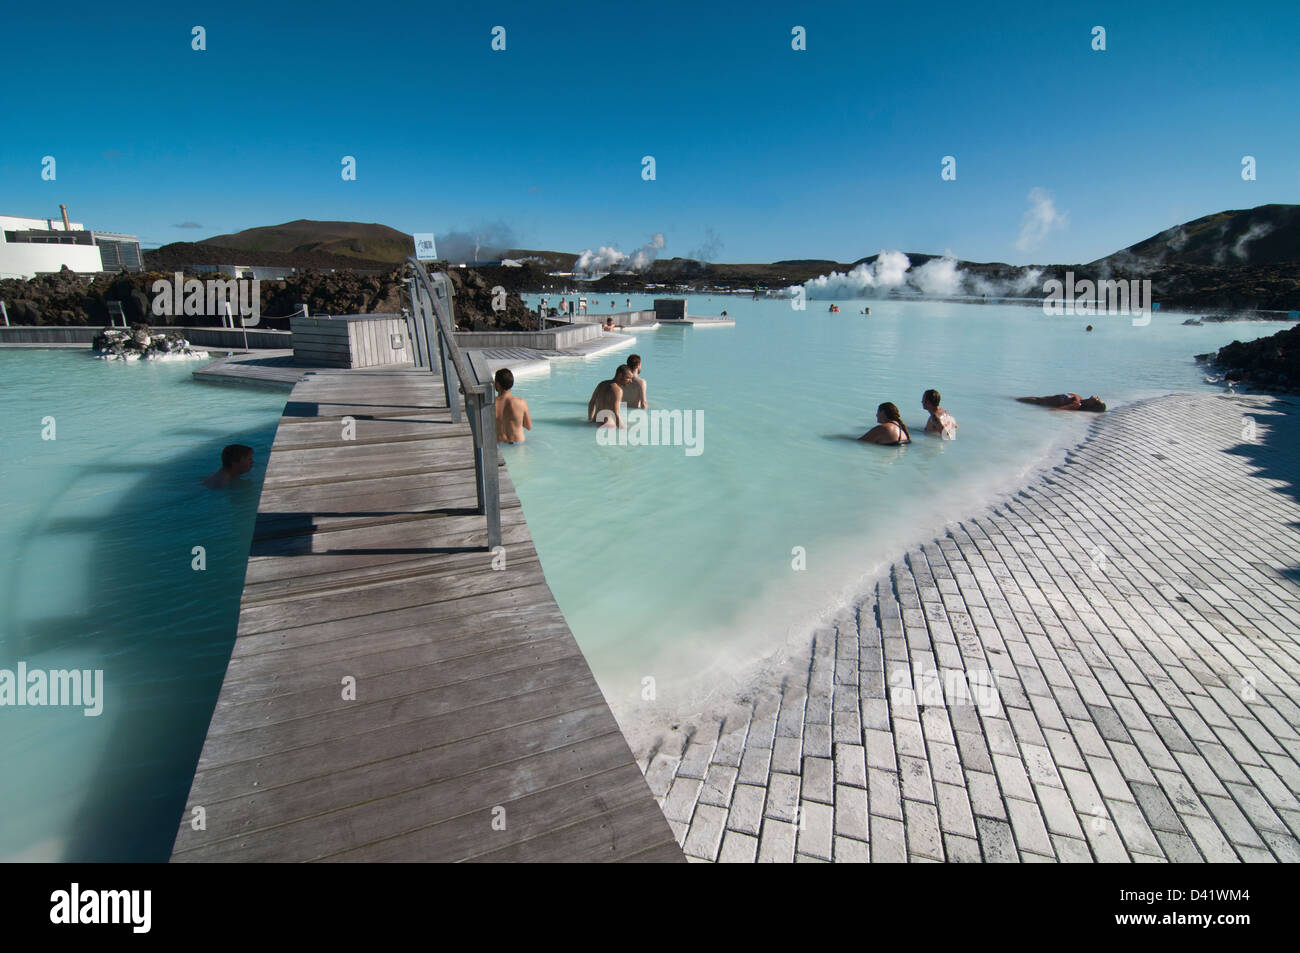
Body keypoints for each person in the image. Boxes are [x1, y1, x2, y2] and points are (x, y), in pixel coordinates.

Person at [494, 367, 532, 443]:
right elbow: (528, 426)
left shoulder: (491, 404)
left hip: (499, 443)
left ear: (497, 384)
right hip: (517, 443)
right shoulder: (521, 403)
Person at [1016, 393, 1106, 412]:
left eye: (1097, 400)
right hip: (1040, 399)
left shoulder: (1076, 404)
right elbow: (1074, 395)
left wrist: (1046, 411)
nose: (1097, 397)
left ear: (1092, 404)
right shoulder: (1079, 399)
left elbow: (1057, 409)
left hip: (1039, 402)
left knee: (1016, 400)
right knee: (1015, 399)